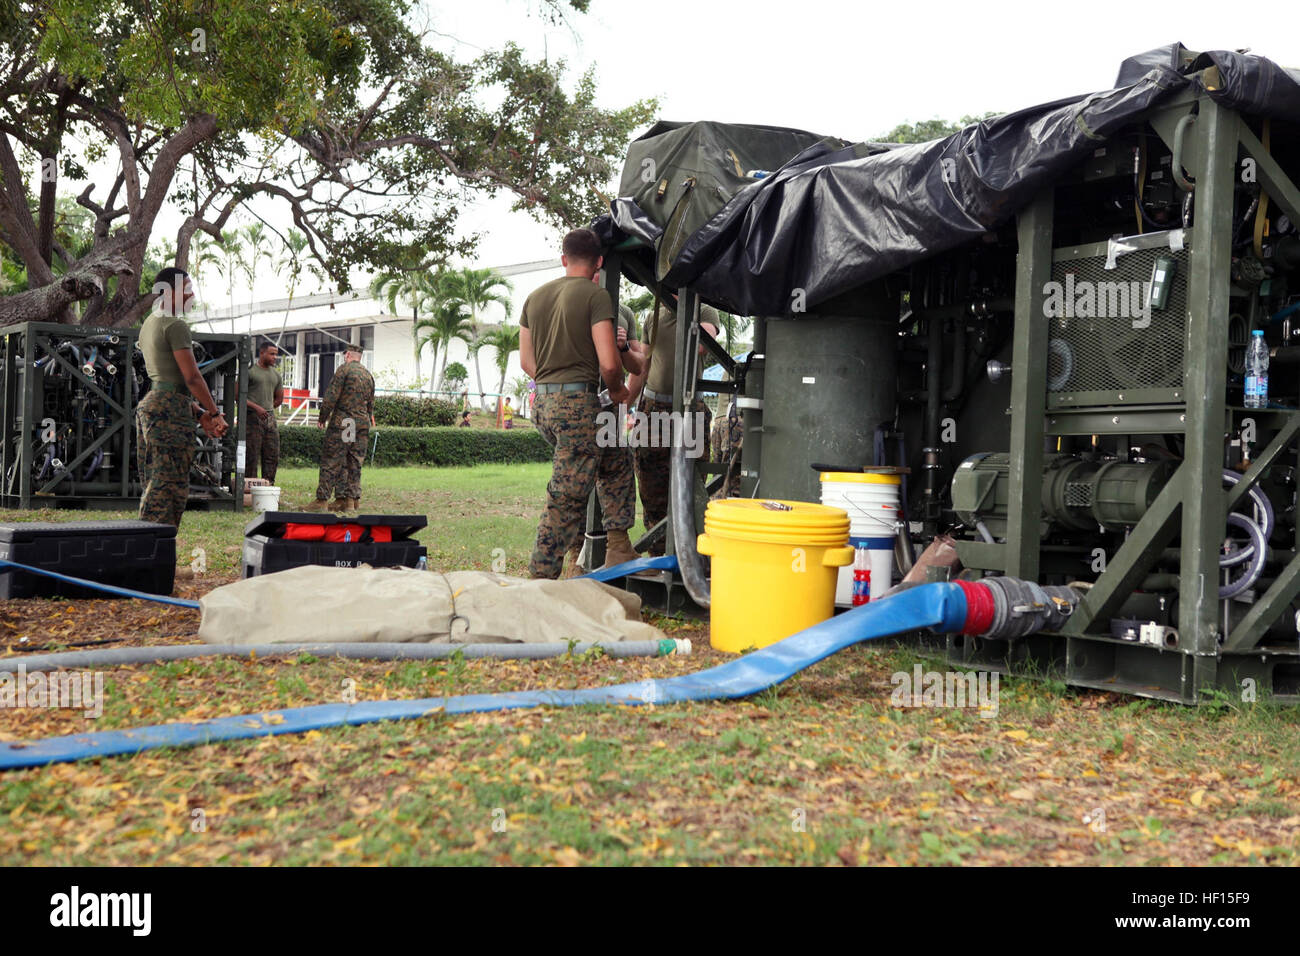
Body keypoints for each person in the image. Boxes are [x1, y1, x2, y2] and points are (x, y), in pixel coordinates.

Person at [519, 227, 632, 579]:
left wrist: (555, 385)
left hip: (544, 404)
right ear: (598, 263)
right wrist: (616, 391)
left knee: (615, 455)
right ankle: (542, 576)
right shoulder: (595, 296)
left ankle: (618, 544)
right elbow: (610, 363)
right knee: (566, 495)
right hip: (578, 407)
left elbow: (526, 362)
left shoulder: (535, 297)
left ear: (564, 258)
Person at [135, 267, 228, 527]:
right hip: (168, 410)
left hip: (155, 404)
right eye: (186, 288)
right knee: (169, 488)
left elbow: (168, 382)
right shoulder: (175, 325)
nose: (192, 294)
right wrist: (214, 413)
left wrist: (199, 413)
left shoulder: (149, 323)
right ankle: (157, 558)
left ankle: (153, 554)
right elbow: (192, 378)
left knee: (156, 482)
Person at [632, 298, 718, 555]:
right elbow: (643, 364)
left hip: (690, 409)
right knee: (650, 483)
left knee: (692, 484)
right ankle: (658, 554)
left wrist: (684, 312)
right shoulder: (653, 316)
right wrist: (628, 399)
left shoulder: (703, 309)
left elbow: (702, 346)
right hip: (653, 406)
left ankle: (689, 553)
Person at [304, 343, 375, 512]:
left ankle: (322, 500)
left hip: (344, 422)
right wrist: (368, 418)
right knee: (354, 462)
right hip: (361, 424)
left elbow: (331, 397)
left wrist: (323, 417)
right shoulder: (368, 375)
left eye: (345, 355)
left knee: (332, 459)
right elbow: (370, 403)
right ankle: (350, 501)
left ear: (348, 355)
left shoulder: (344, 370)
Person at [245, 340, 284, 484]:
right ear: (262, 353)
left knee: (272, 453)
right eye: (272, 354)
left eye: (276, 355)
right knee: (252, 455)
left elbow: (279, 398)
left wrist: (268, 408)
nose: (275, 357)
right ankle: (250, 487)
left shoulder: (276, 375)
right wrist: (257, 408)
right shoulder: (250, 372)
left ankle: (268, 486)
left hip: (269, 418)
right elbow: (238, 397)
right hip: (251, 418)